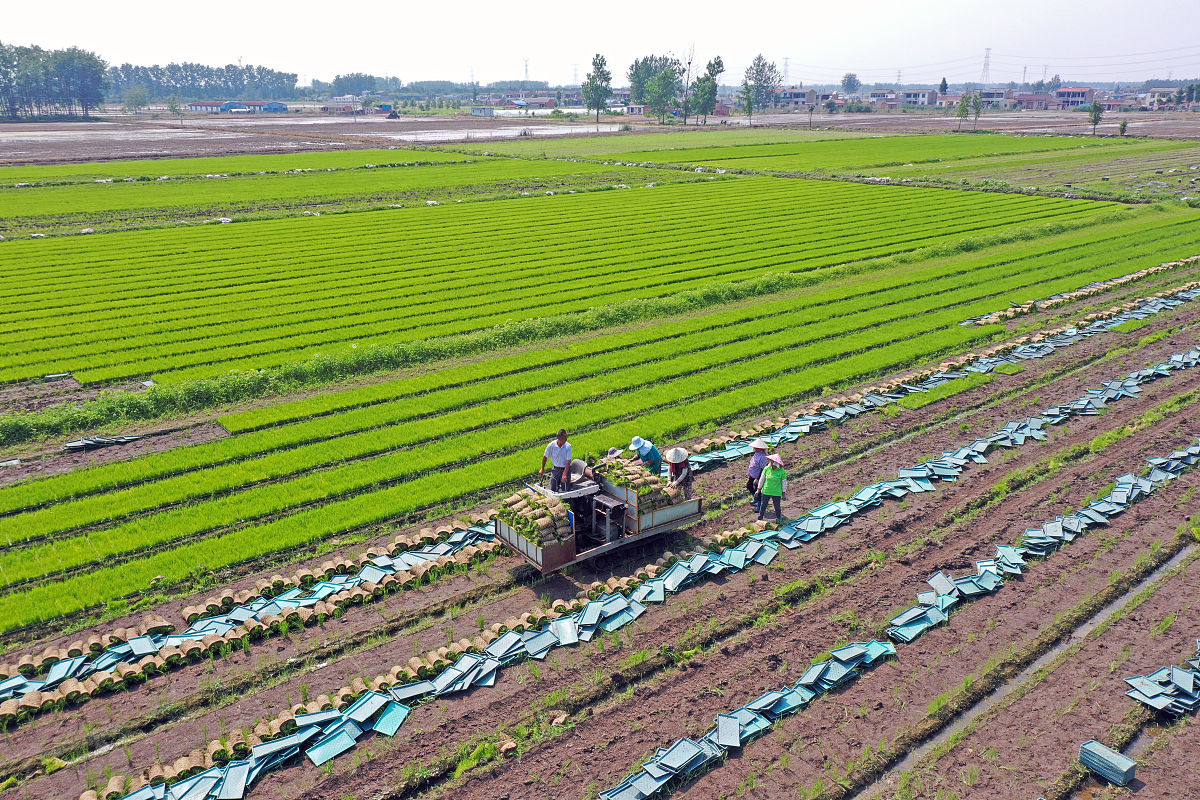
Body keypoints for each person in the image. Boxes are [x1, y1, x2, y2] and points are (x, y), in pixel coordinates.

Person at [756, 453, 787, 521]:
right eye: (770, 461)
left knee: (777, 506)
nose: (771, 462)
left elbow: (784, 482)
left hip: (776, 492)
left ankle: (779, 518)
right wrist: (758, 489)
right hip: (766, 490)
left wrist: (784, 492)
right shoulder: (767, 469)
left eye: (772, 461)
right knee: (763, 505)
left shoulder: (782, 471)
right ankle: (760, 517)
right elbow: (762, 479)